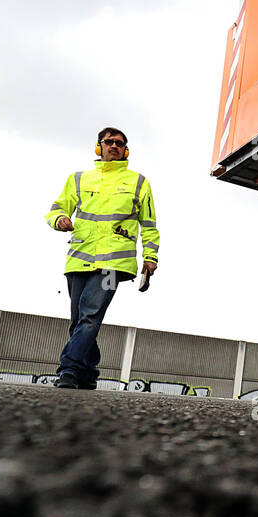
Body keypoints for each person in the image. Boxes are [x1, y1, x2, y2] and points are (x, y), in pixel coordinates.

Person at [44, 127, 160, 389]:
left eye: (120, 143)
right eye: (109, 142)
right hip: (78, 258)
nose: (114, 146)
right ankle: (88, 372)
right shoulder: (78, 179)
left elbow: (149, 224)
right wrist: (59, 220)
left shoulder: (138, 182)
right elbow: (56, 209)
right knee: (78, 321)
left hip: (113, 264)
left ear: (125, 150)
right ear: (99, 147)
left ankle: (69, 370)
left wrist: (151, 257)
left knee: (90, 316)